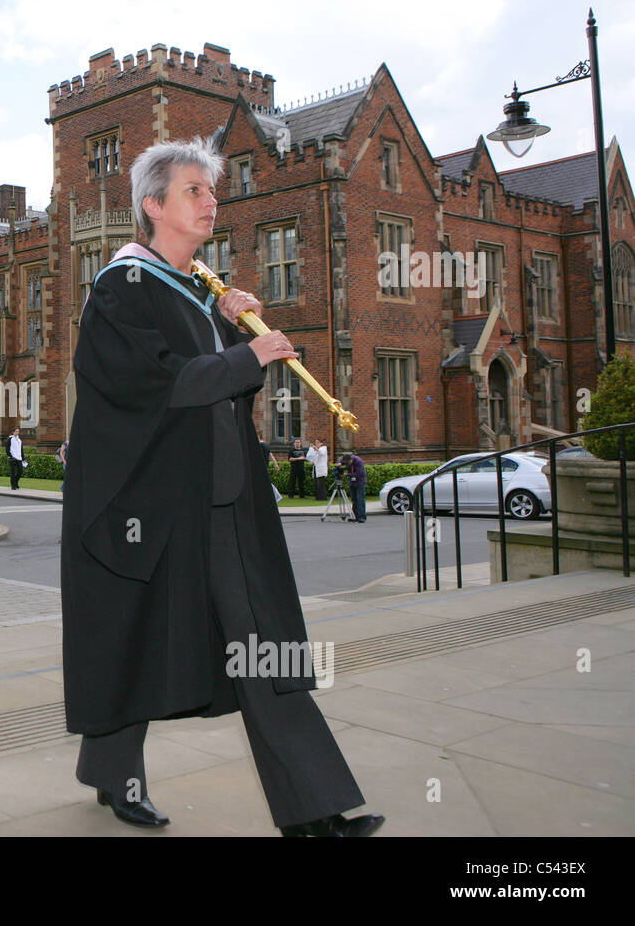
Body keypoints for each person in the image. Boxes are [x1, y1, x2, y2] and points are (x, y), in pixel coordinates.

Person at [61, 136, 383, 837]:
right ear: (154, 205)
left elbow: (209, 384)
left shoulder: (195, 292)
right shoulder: (121, 287)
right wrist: (247, 354)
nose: (213, 201)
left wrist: (230, 329)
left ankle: (315, 810)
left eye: (211, 190)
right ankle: (117, 774)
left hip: (225, 501)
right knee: (133, 639)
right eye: (195, 191)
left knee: (265, 645)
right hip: (151, 507)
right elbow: (149, 385)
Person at [342, 452, 367, 522]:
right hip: (352, 482)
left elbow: (359, 473)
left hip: (360, 482)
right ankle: (355, 516)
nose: (348, 464)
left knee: (360, 499)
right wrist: (339, 463)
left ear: (351, 459)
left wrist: (348, 474)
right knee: (354, 499)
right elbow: (341, 461)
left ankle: (362, 517)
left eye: (348, 462)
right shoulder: (346, 460)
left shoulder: (358, 461)